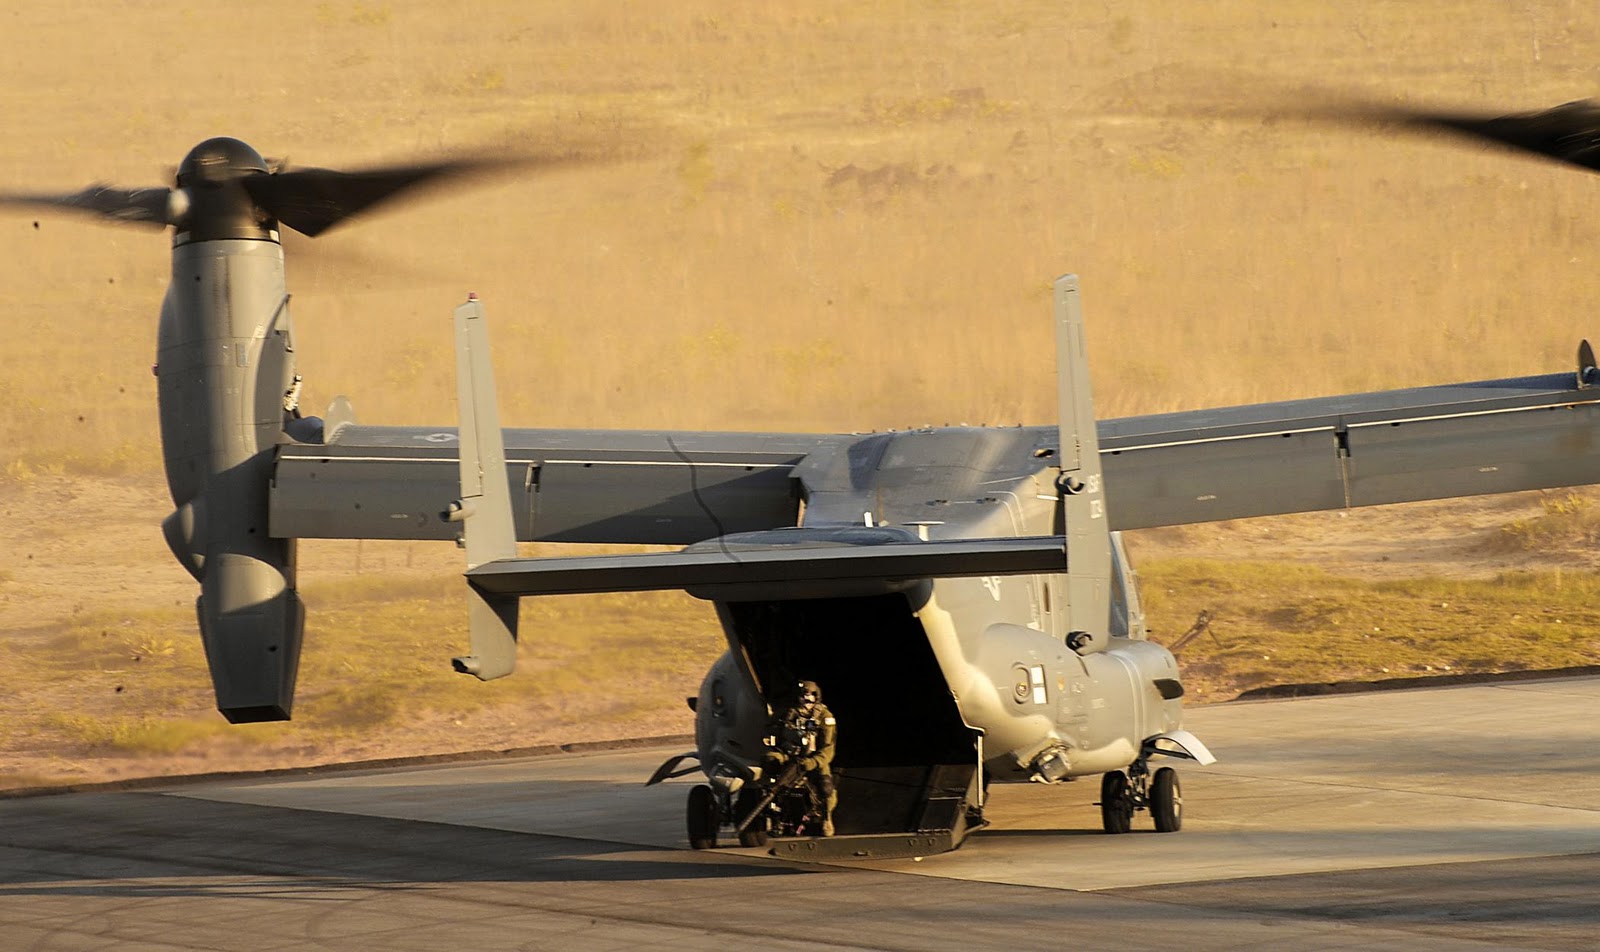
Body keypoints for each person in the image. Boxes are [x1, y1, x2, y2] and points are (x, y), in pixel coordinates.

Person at [761, 680, 838, 836]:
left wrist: (811, 762)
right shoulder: (785, 713)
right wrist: (782, 736)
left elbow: (828, 750)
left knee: (825, 786)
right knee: (770, 763)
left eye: (810, 696)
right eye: (803, 696)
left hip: (813, 759)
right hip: (787, 756)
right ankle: (776, 818)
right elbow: (768, 732)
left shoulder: (825, 717)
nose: (806, 700)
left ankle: (826, 817)